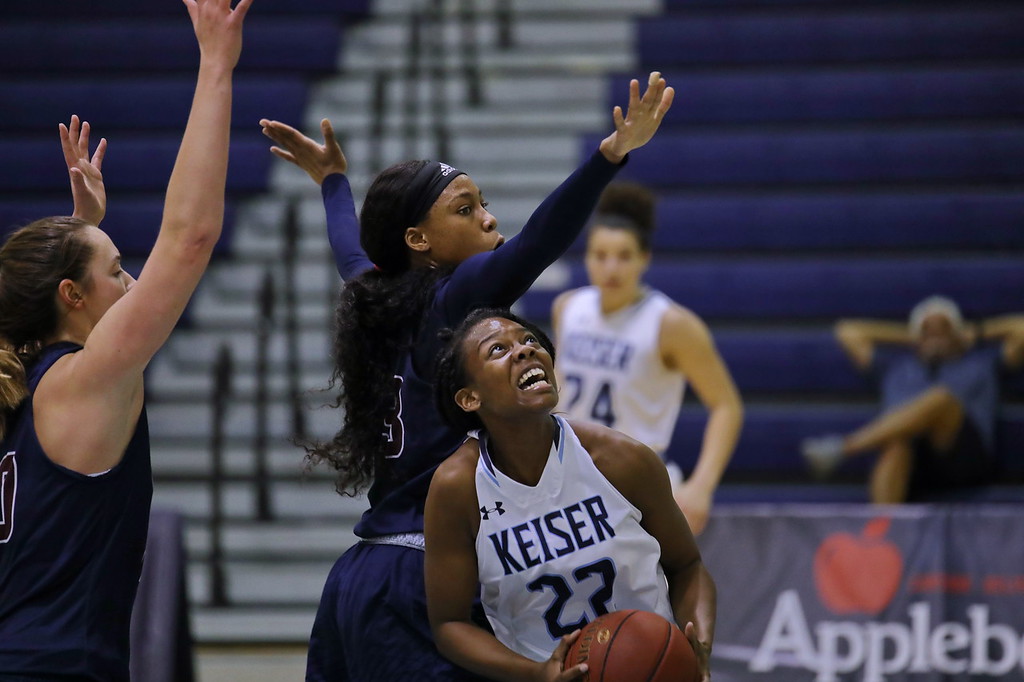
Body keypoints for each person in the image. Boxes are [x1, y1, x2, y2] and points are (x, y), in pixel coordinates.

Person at [259, 72, 674, 681]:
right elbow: (536, 243)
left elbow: (350, 249)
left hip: (358, 578)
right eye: (465, 208)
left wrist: (332, 184)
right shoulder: (455, 301)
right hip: (421, 580)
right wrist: (609, 156)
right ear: (418, 240)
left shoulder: (375, 296)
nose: (487, 218)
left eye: (483, 202)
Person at [0, 1, 251, 679]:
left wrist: (84, 227)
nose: (135, 283)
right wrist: (215, 67)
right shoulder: (83, 384)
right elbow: (190, 237)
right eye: (117, 271)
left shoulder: (21, 389)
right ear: (71, 299)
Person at [425, 308, 715, 682]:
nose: (524, 350)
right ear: (469, 398)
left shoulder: (622, 460)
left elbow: (688, 566)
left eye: (529, 341)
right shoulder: (457, 487)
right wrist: (537, 674)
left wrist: (699, 643)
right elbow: (449, 624)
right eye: (497, 350)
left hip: (649, 667)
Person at [550, 182, 742, 535]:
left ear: (644, 259)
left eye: (624, 256)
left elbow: (727, 406)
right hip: (569, 479)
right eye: (600, 255)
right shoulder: (567, 307)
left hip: (637, 485)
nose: (611, 268)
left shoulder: (671, 323)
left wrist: (702, 486)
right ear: (587, 257)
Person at [801, 295, 1024, 503]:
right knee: (897, 443)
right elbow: (848, 330)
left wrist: (974, 333)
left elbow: (1021, 328)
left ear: (957, 333)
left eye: (943, 329)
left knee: (941, 399)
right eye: (926, 330)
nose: (935, 336)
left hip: (964, 460)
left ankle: (843, 448)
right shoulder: (893, 367)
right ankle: (882, 532)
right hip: (912, 464)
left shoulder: (983, 365)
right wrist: (911, 336)